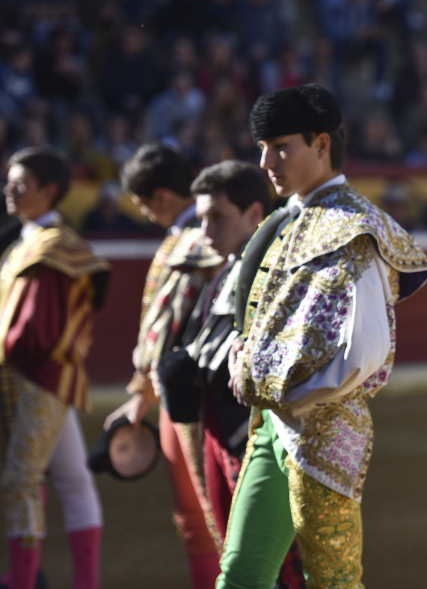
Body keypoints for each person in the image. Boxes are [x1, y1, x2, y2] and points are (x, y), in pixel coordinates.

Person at [217, 83, 427, 589]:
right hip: (272, 422)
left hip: (324, 427)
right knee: (241, 575)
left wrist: (274, 385)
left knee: (332, 580)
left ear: (321, 144)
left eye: (282, 146)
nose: (267, 160)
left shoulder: (353, 225)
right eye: (263, 147)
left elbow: (364, 352)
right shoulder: (286, 220)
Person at [153, 161, 307, 589]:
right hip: (220, 430)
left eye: (217, 217)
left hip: (254, 433)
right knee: (235, 547)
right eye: (202, 218)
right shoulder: (225, 272)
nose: (206, 231)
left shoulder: (275, 273)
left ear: (255, 214)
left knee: (279, 565)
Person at [105, 144, 225, 589]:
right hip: (218, 389)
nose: (143, 213)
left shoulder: (189, 239)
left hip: (189, 394)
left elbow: (163, 328)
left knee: (203, 520)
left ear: (160, 197)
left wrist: (141, 395)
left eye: (141, 203)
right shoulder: (218, 230)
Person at [0, 148, 110, 589]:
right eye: (8, 180)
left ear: (49, 191)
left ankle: (23, 582)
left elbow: (39, 330)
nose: (9, 189)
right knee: (72, 479)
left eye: (20, 184)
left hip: (41, 375)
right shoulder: (27, 241)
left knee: (21, 479)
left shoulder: (55, 245)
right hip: (35, 376)